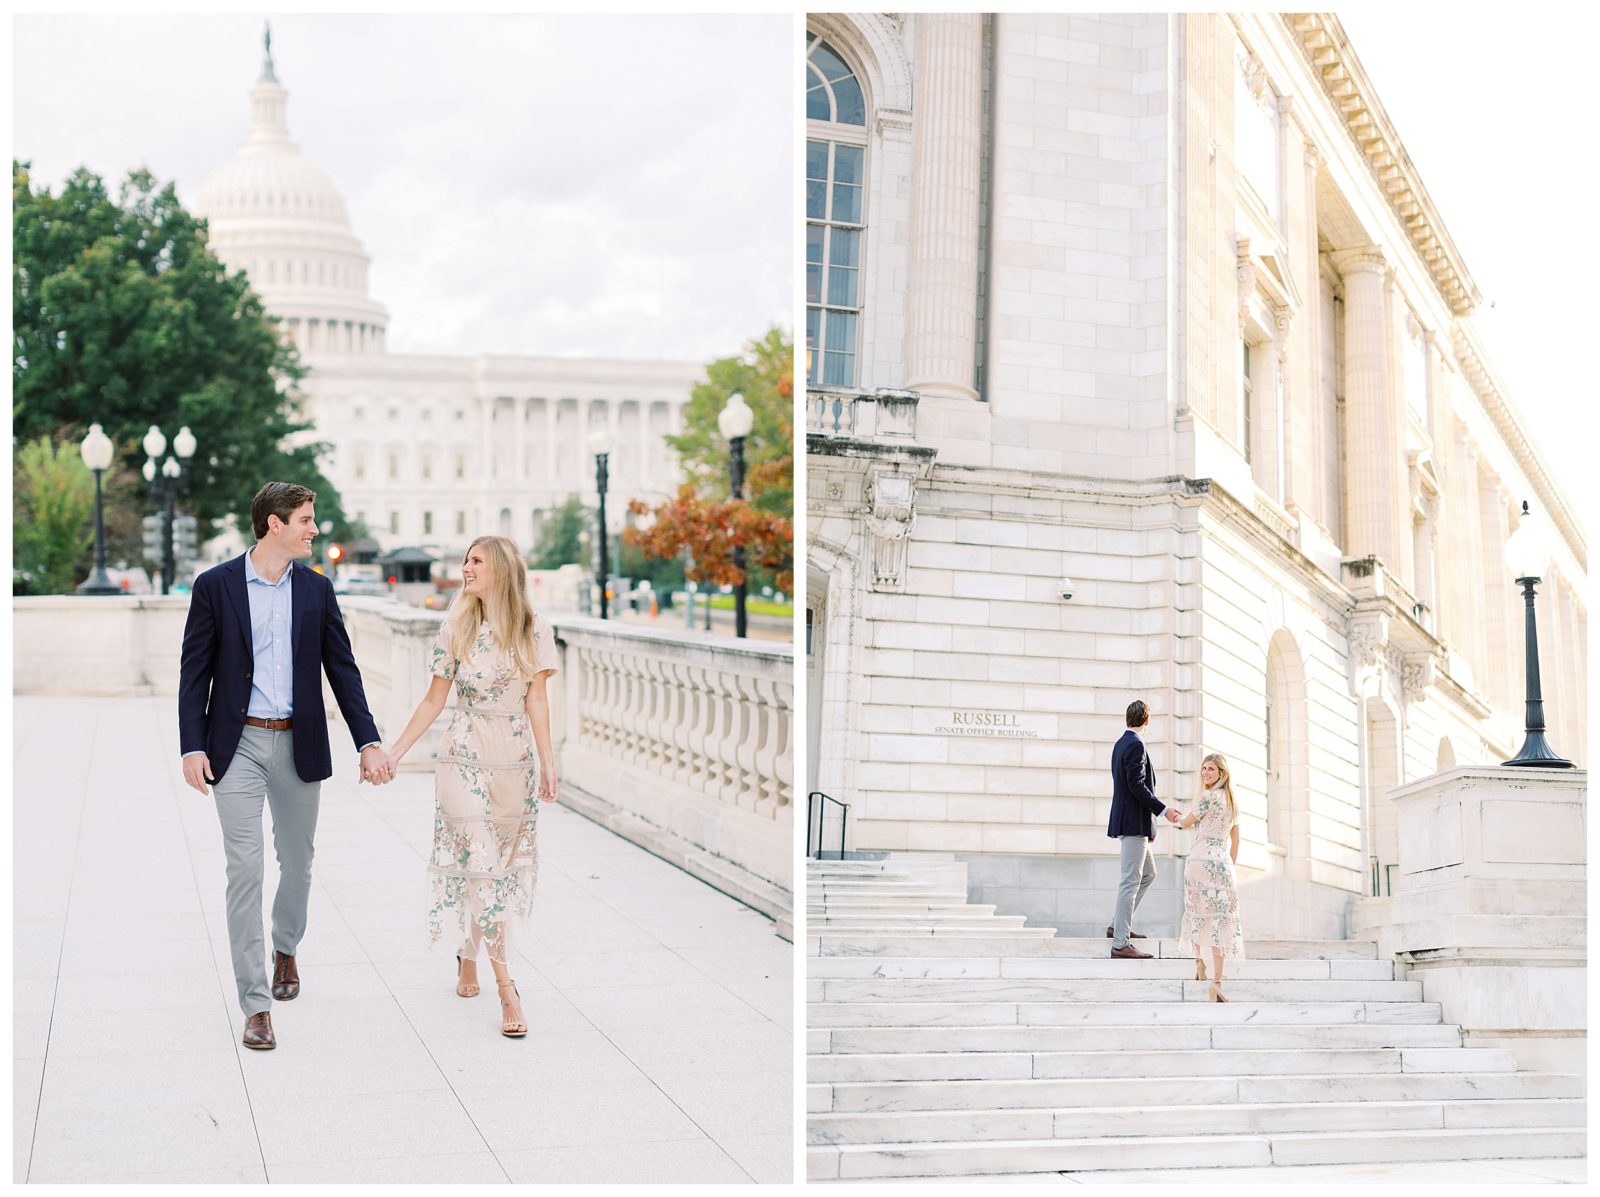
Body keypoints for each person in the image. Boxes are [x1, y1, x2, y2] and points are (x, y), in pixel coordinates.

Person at [178, 482, 396, 1050]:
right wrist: (192, 746)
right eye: (304, 519)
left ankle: (286, 946)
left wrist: (367, 741)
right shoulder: (215, 586)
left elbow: (342, 671)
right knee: (244, 870)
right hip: (238, 746)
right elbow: (193, 673)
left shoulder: (317, 591)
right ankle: (255, 1005)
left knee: (297, 862)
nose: (314, 529)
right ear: (273, 524)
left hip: (299, 746)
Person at [386, 535, 559, 1037]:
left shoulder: (534, 629)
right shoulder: (456, 627)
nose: (465, 568)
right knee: (482, 868)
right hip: (462, 756)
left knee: (495, 873)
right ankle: (509, 990)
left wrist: (548, 762)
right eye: (465, 560)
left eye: (475, 561)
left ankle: (468, 951)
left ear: (500, 570)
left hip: (513, 761)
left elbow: (538, 701)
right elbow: (433, 701)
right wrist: (395, 751)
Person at [1106, 699, 1180, 959]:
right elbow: (1137, 785)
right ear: (1147, 721)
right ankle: (1119, 943)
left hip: (1134, 822)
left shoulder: (1120, 743)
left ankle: (1119, 925)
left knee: (1148, 873)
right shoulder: (1136, 744)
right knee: (1130, 881)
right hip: (1133, 822)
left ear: (1129, 718)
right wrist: (1163, 810)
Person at [1169, 753, 1244, 1001]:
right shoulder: (1232, 802)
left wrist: (1176, 817)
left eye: (1210, 769)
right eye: (1203, 768)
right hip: (1222, 865)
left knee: (1197, 913)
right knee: (1219, 920)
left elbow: (1186, 823)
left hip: (1200, 861)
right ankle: (1216, 981)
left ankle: (1200, 962)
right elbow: (1236, 840)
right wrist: (1229, 866)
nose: (1205, 773)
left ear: (1221, 773)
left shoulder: (1208, 796)